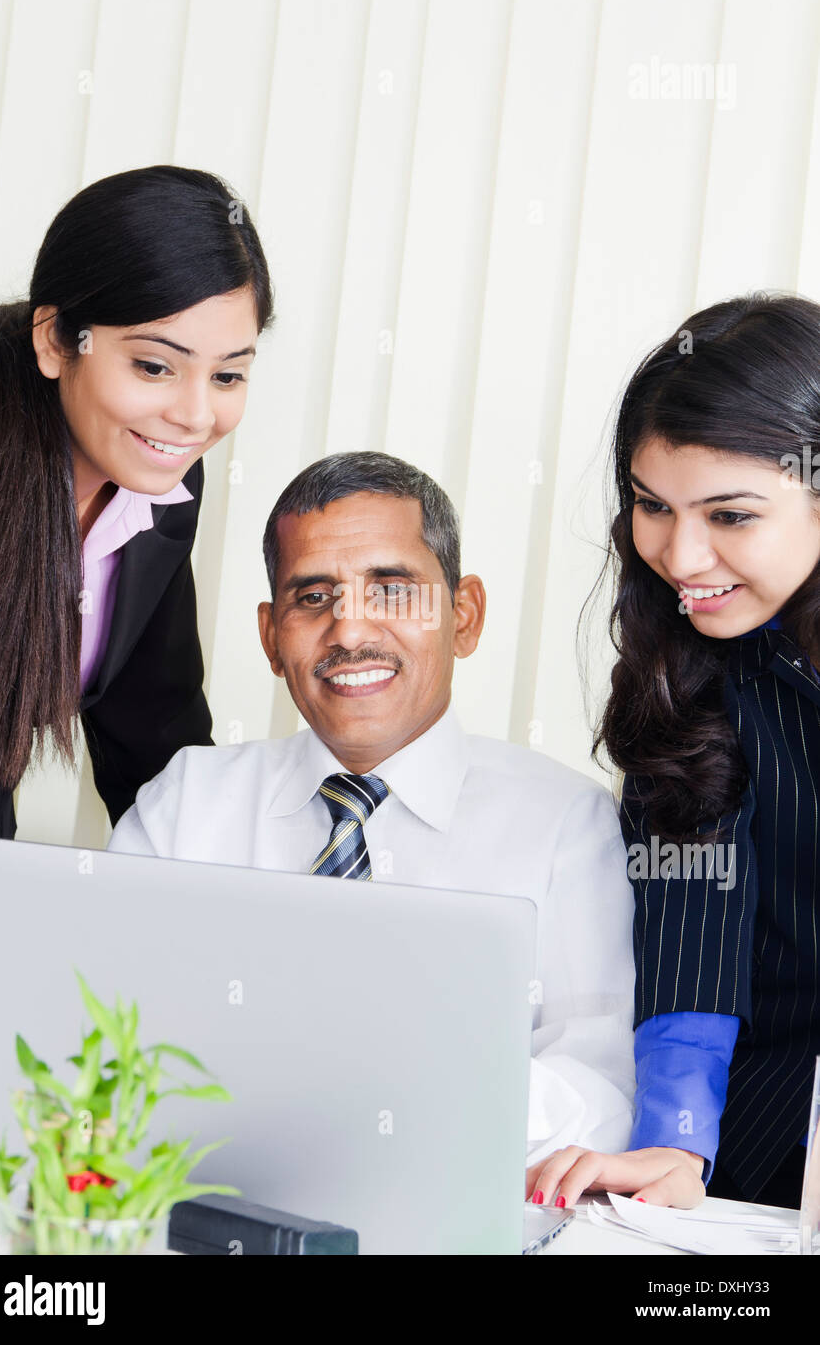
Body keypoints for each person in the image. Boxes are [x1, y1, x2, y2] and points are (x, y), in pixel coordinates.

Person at [108, 451, 637, 1174]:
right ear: (271, 637)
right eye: (313, 597)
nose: (350, 632)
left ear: (465, 616)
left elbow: (601, 1084)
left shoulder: (565, 825)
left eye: (392, 591)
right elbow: (104, 1035)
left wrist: (407, 1097)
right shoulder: (185, 804)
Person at [526, 292, 820, 1212]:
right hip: (756, 1135)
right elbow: (694, 903)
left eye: (730, 516)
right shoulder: (703, 661)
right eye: (653, 506)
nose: (682, 557)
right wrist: (674, 1140)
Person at [0, 163, 272, 842]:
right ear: (55, 340)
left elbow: (156, 737)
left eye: (227, 375)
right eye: (155, 366)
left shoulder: (160, 486)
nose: (193, 415)